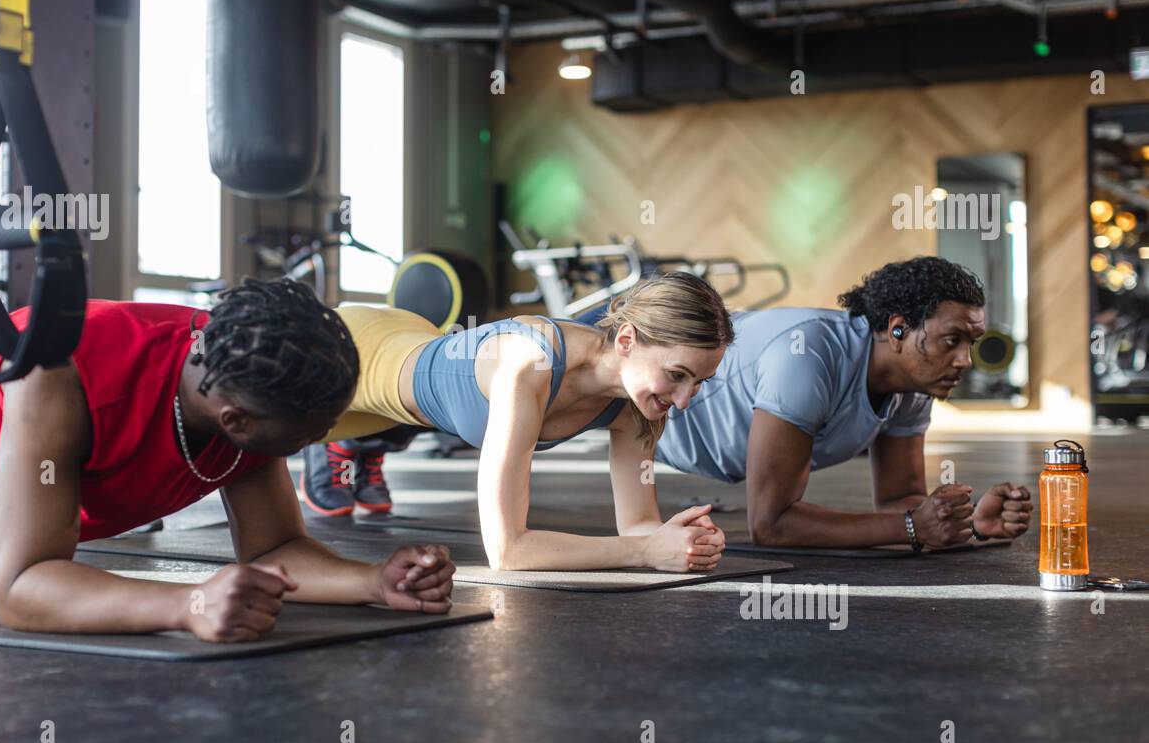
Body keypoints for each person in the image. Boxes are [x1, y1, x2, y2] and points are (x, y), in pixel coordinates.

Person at [0, 279, 455, 641]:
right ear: (236, 424)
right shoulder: (62, 377)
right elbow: (20, 588)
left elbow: (272, 551)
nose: (308, 449)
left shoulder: (247, 373)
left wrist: (372, 581)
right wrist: (186, 604)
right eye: (302, 438)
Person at [317, 271, 734, 572]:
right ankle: (342, 447)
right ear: (626, 340)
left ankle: (360, 445)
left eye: (698, 383)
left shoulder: (639, 403)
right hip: (347, 355)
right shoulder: (529, 364)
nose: (682, 401)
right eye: (677, 375)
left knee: (405, 420)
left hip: (403, 368)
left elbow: (637, 525)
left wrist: (679, 540)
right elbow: (507, 552)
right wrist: (644, 553)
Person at [653, 257, 1033, 550]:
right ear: (898, 329)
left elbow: (899, 502)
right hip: (645, 392)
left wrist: (968, 522)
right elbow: (772, 524)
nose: (966, 361)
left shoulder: (913, 389)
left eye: (971, 344)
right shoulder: (809, 355)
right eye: (952, 341)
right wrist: (914, 527)